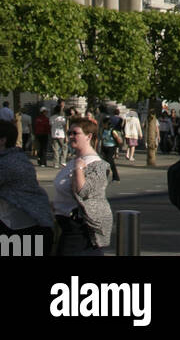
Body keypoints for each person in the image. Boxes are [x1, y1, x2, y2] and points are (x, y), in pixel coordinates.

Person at [53, 117, 112, 256]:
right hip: (66, 225)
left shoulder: (97, 164)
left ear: (88, 136)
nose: (71, 136)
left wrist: (79, 169)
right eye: (69, 133)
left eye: (75, 133)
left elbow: (83, 191)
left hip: (81, 228)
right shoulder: (73, 161)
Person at [0, 119, 54, 255]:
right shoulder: (16, 156)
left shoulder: (9, 163)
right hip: (21, 227)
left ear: (2, 140)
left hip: (26, 230)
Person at [98, 114, 122, 182]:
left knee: (110, 162)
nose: (103, 125)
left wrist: (117, 148)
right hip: (105, 147)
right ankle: (106, 177)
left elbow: (118, 140)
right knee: (106, 162)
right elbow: (102, 139)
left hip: (111, 147)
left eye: (104, 123)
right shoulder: (104, 130)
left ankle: (116, 177)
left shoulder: (112, 131)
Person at [49, 101, 68, 169]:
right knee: (64, 148)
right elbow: (65, 126)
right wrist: (66, 135)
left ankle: (56, 163)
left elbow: (50, 125)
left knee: (55, 149)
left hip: (54, 134)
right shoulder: (62, 118)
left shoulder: (52, 118)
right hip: (62, 134)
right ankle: (63, 160)